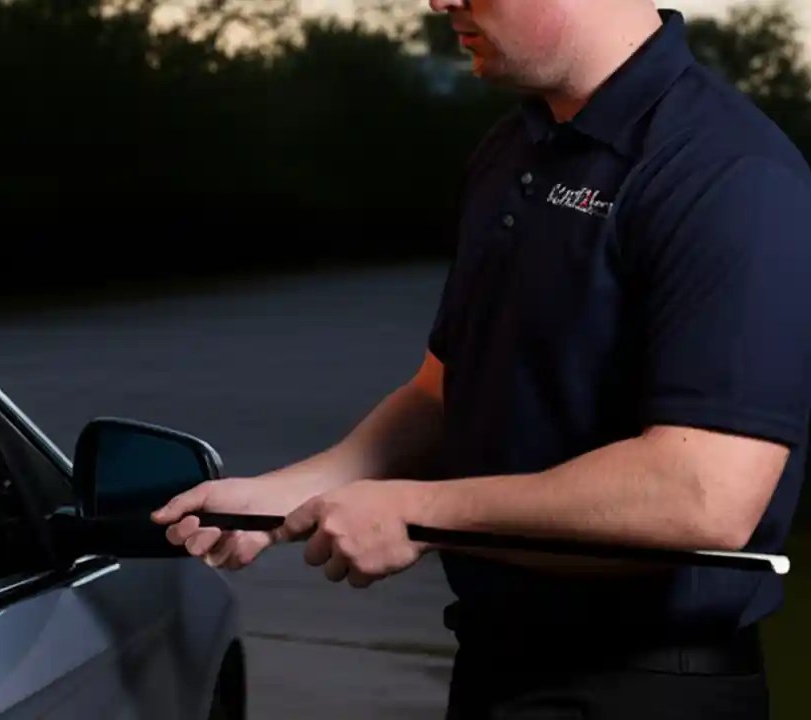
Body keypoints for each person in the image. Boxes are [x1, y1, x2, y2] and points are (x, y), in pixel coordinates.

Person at [151, 1, 811, 718]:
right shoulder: (513, 147)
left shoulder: (728, 172)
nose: (440, 0)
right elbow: (442, 393)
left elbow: (702, 497)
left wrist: (423, 512)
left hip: (645, 687)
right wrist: (287, 494)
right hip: (495, 668)